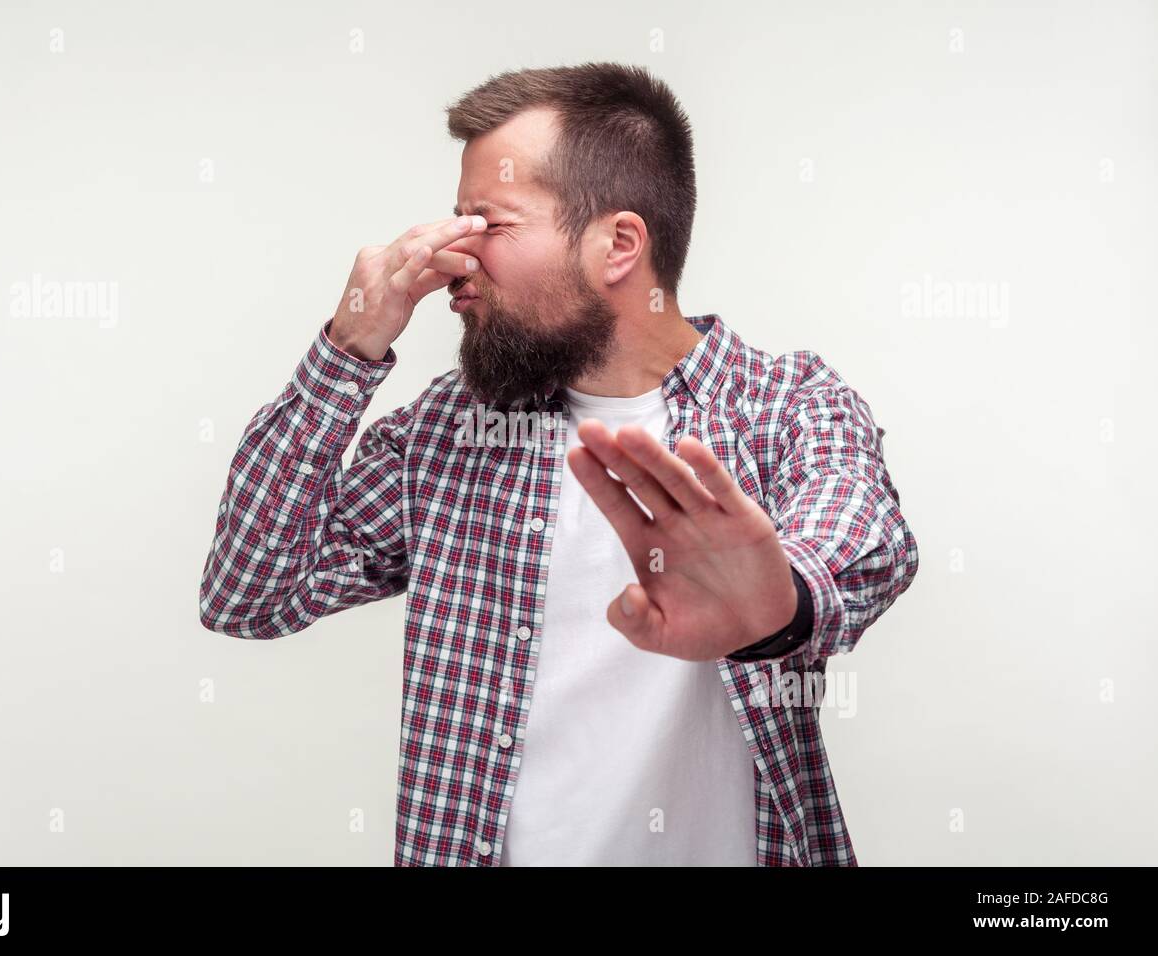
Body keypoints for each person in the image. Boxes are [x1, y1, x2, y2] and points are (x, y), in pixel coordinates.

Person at [199, 62, 919, 866]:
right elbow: (249, 595)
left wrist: (774, 609)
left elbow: (859, 543)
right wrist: (348, 348)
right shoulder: (448, 432)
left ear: (617, 245)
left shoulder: (788, 405)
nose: (454, 260)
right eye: (455, 221)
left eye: (490, 223)